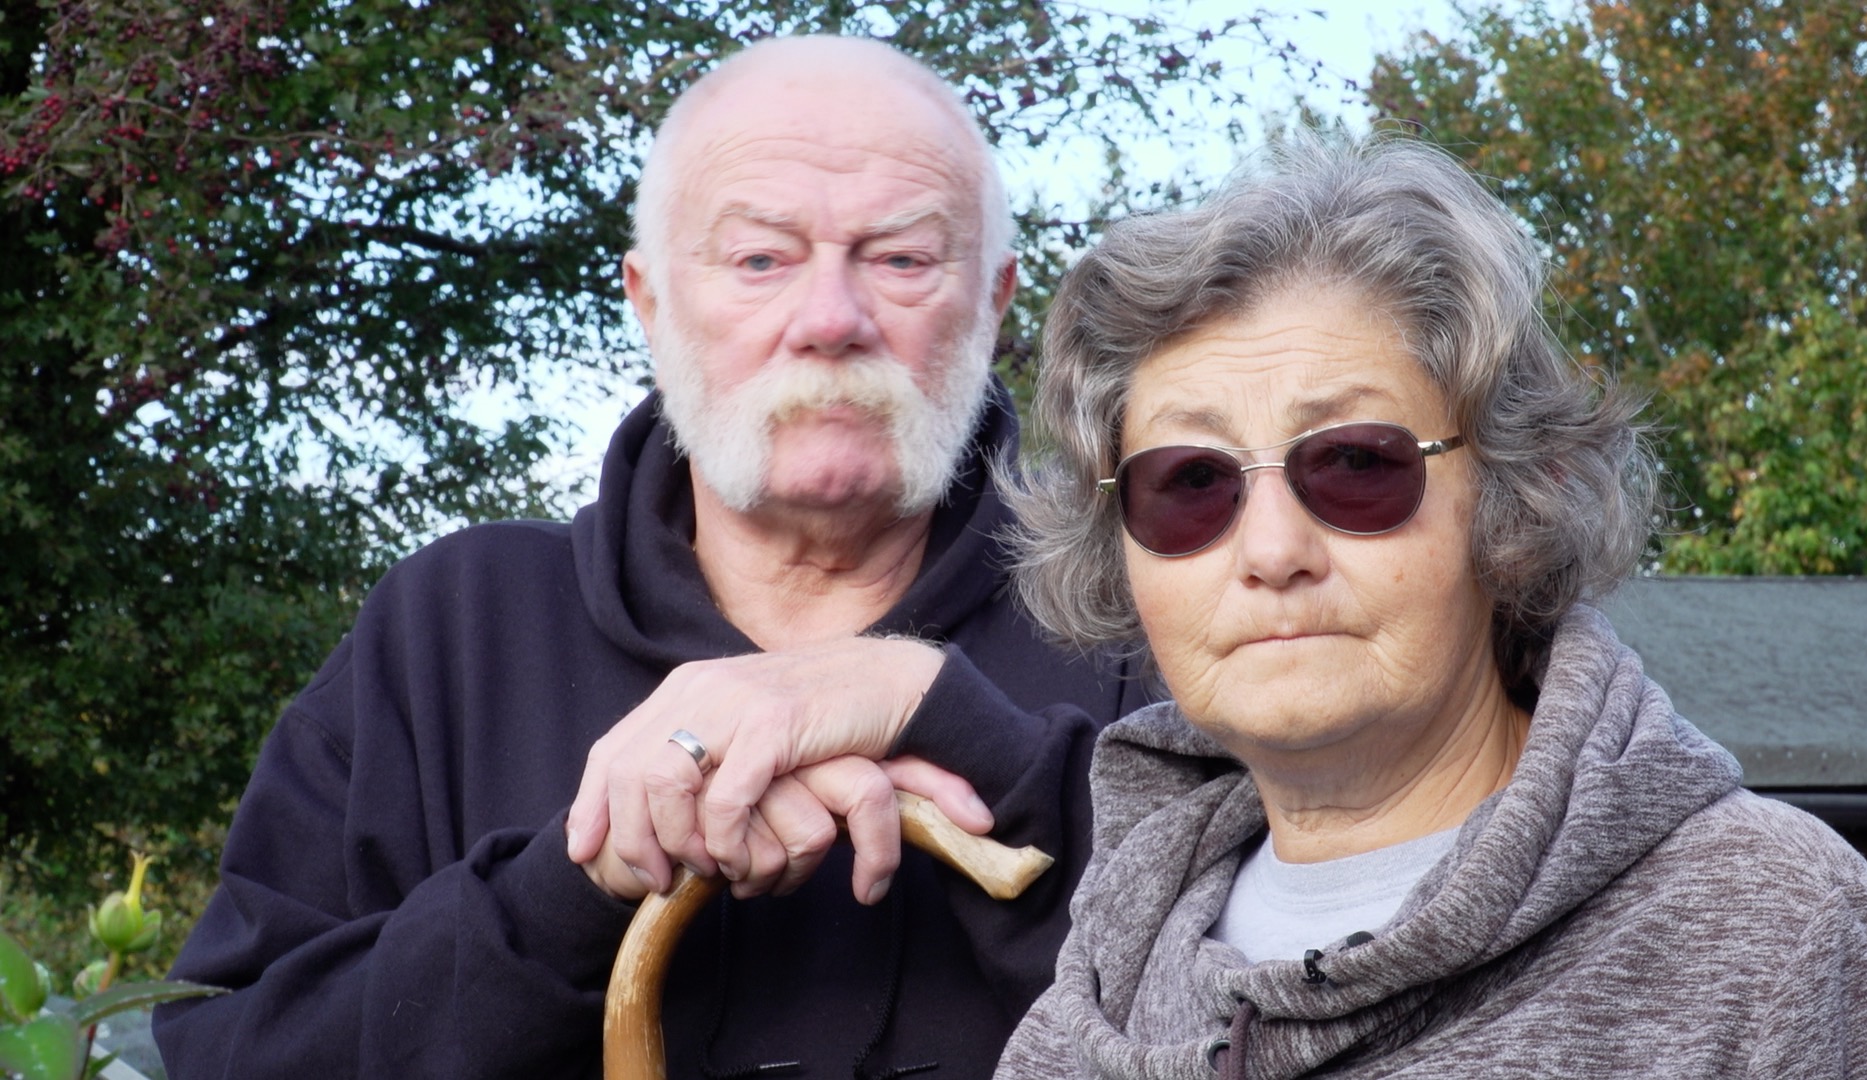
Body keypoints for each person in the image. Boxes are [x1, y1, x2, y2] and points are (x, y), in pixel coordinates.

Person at [155, 36, 1149, 1079]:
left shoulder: (1148, 604)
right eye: (761, 258)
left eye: (900, 258)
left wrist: (971, 734)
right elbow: (231, 1051)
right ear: (649, 300)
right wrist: (565, 889)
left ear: (993, 301)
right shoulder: (453, 624)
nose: (829, 320)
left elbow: (1274, 1008)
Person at [993, 131, 1867, 1078]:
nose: (1272, 552)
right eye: (1190, 481)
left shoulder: (1775, 937)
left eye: (1355, 462)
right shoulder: (1104, 970)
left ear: (1515, 496)